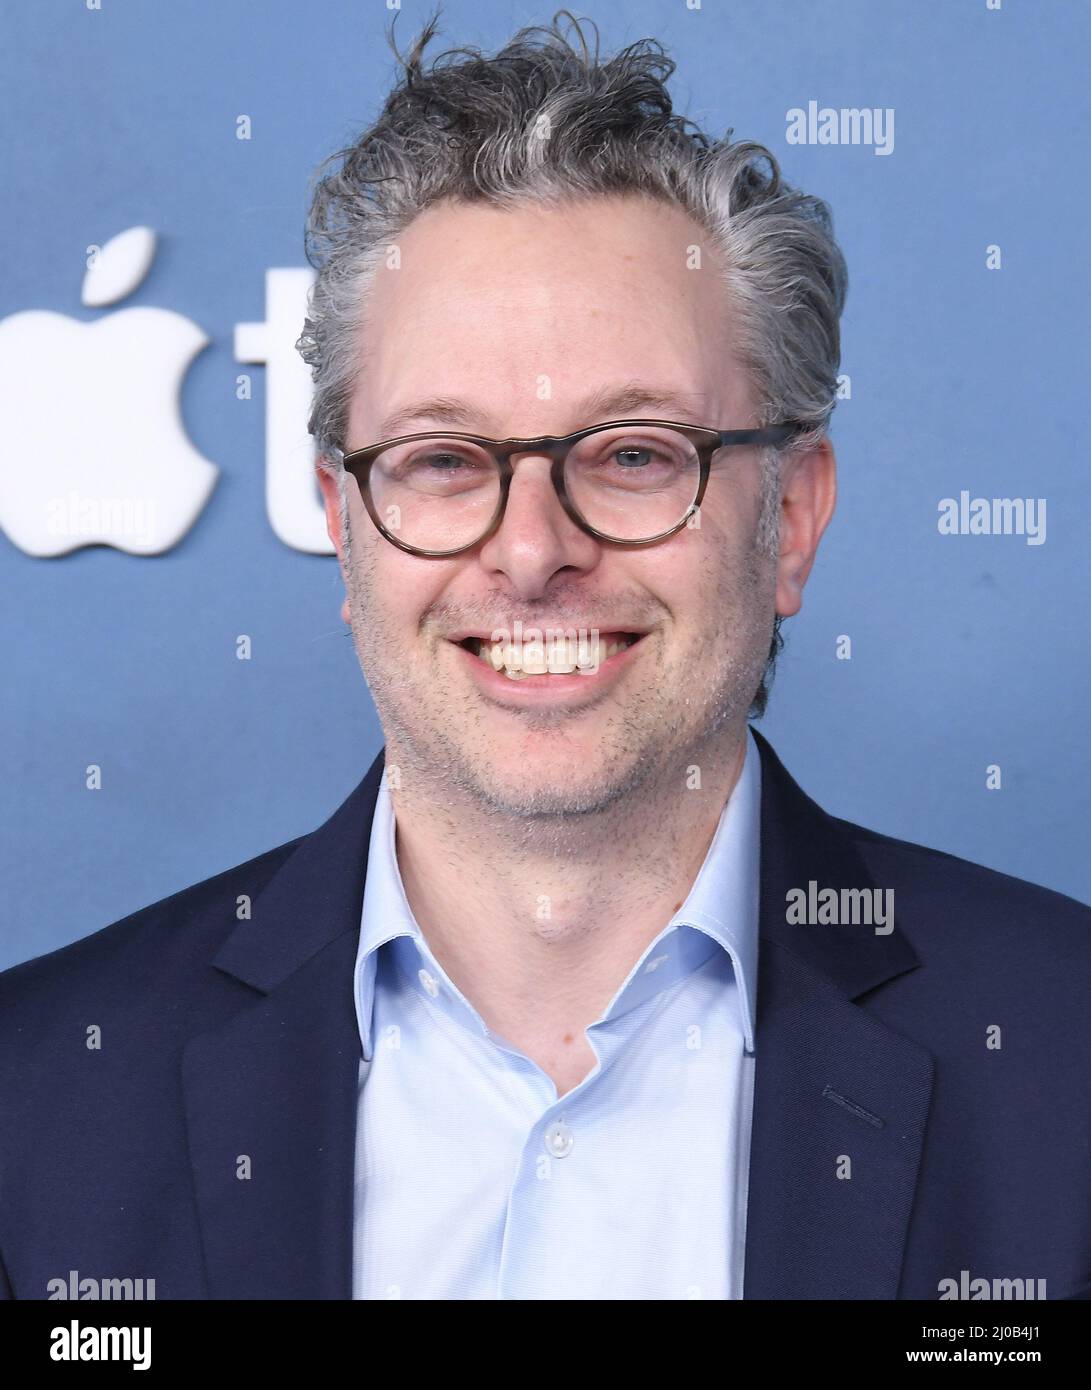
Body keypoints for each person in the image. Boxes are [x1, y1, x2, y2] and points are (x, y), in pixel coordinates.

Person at [2, 11, 1088, 1302]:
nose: (530, 551)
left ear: (790, 517)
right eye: (444, 460)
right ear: (344, 523)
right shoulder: (40, 1094)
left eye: (634, 453)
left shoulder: (1064, 1060)